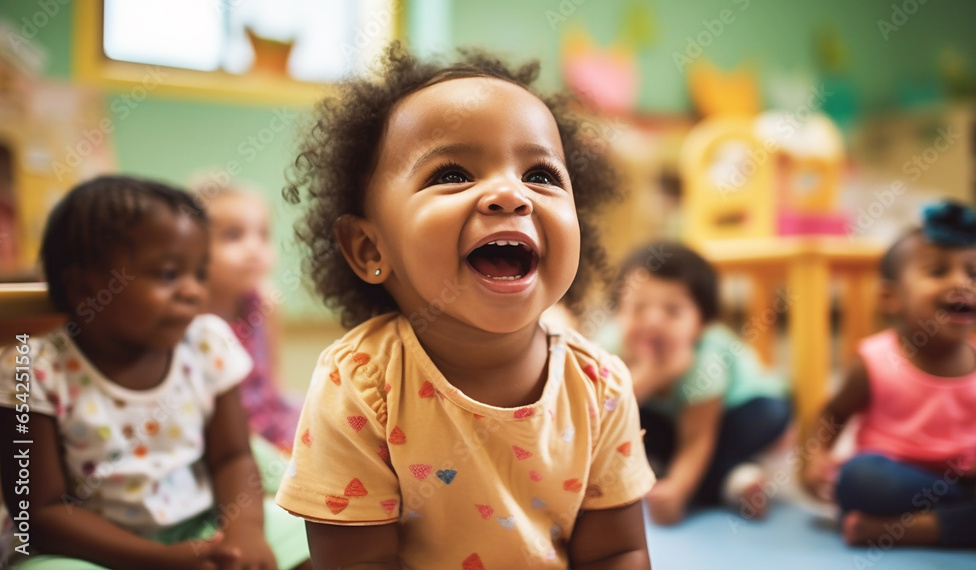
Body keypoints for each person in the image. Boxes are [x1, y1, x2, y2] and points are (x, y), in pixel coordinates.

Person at [274, 44, 657, 569]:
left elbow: (616, 552)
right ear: (370, 249)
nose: (511, 194)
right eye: (452, 174)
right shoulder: (361, 385)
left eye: (541, 175)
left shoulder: (599, 387)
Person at [0, 176, 310, 569]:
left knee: (310, 536)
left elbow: (233, 456)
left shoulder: (207, 343)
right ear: (84, 287)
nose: (193, 291)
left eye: (200, 273)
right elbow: (40, 512)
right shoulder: (30, 369)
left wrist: (244, 533)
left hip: (200, 526)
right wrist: (160, 560)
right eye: (168, 274)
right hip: (84, 549)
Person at [803, 200, 976, 548]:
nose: (962, 283)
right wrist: (815, 456)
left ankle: (903, 529)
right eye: (938, 271)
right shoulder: (875, 361)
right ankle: (960, 522)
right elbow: (833, 414)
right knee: (859, 477)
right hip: (897, 481)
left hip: (969, 481)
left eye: (975, 274)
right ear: (890, 297)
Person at [611, 242, 791, 525]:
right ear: (617, 312)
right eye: (638, 307)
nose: (653, 321)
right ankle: (734, 477)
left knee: (757, 419)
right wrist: (655, 373)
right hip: (674, 421)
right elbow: (603, 413)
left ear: (703, 324)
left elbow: (697, 439)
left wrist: (678, 490)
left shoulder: (705, 359)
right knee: (631, 422)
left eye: (673, 311)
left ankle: (702, 474)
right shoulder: (610, 345)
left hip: (745, 408)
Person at [195, 183, 302, 458]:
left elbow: (274, 381)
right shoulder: (192, 314)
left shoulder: (266, 303)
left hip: (269, 420)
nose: (254, 248)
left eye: (263, 235)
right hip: (218, 431)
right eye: (232, 235)